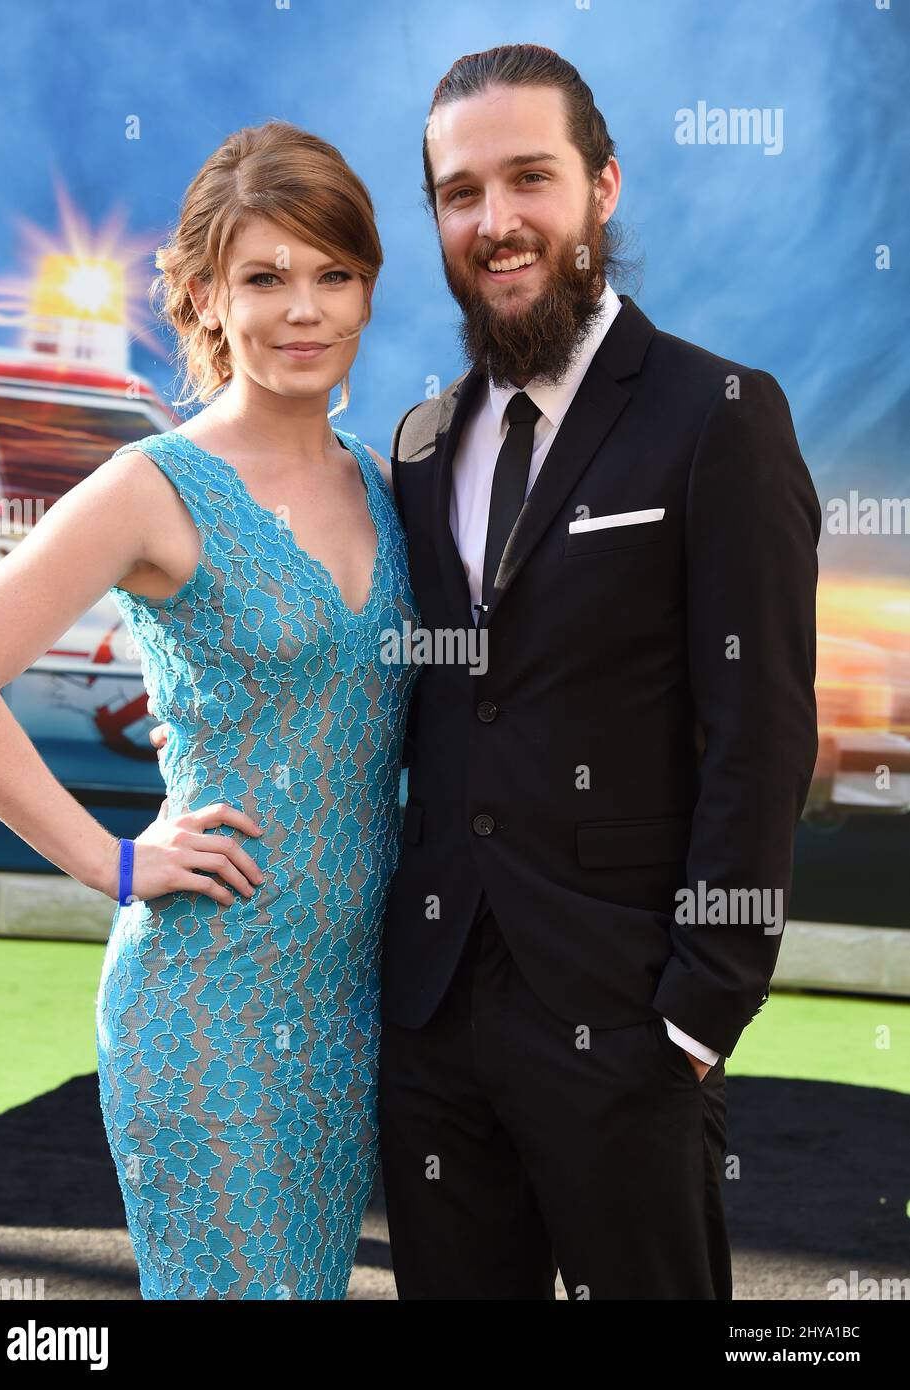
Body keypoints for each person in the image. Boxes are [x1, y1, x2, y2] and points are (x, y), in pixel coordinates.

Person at [374, 44, 822, 1299]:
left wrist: (694, 1015)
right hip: (432, 1026)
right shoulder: (417, 443)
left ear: (602, 186)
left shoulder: (717, 413)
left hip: (624, 1021)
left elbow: (763, 730)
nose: (496, 220)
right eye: (461, 193)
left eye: (531, 177)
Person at [0, 120, 420, 1298]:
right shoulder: (149, 486)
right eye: (264, 277)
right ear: (207, 298)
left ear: (368, 290)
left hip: (351, 1006)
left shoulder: (386, 478)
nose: (302, 309)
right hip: (205, 1003)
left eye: (332, 274)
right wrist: (111, 863)